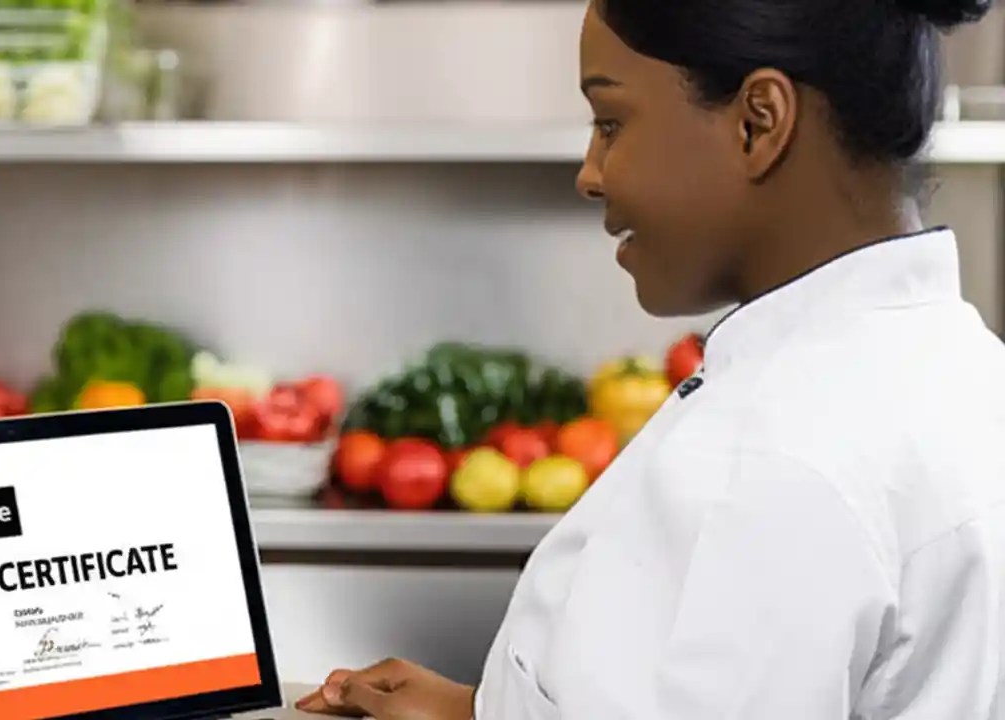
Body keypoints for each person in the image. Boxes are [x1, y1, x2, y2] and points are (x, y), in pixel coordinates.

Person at [296, 0, 1005, 717]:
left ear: (759, 120)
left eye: (611, 123)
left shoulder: (770, 458)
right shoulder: (969, 373)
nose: (591, 173)